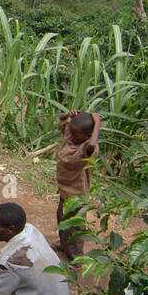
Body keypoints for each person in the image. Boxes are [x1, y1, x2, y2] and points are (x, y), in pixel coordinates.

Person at [54, 110, 100, 261]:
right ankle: (63, 244)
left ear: (88, 136)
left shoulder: (86, 149)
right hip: (64, 191)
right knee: (62, 219)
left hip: (76, 196)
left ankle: (76, 257)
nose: (72, 135)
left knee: (74, 227)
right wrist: (68, 114)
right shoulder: (71, 138)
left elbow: (92, 145)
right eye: (71, 131)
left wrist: (97, 122)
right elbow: (61, 119)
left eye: (76, 134)